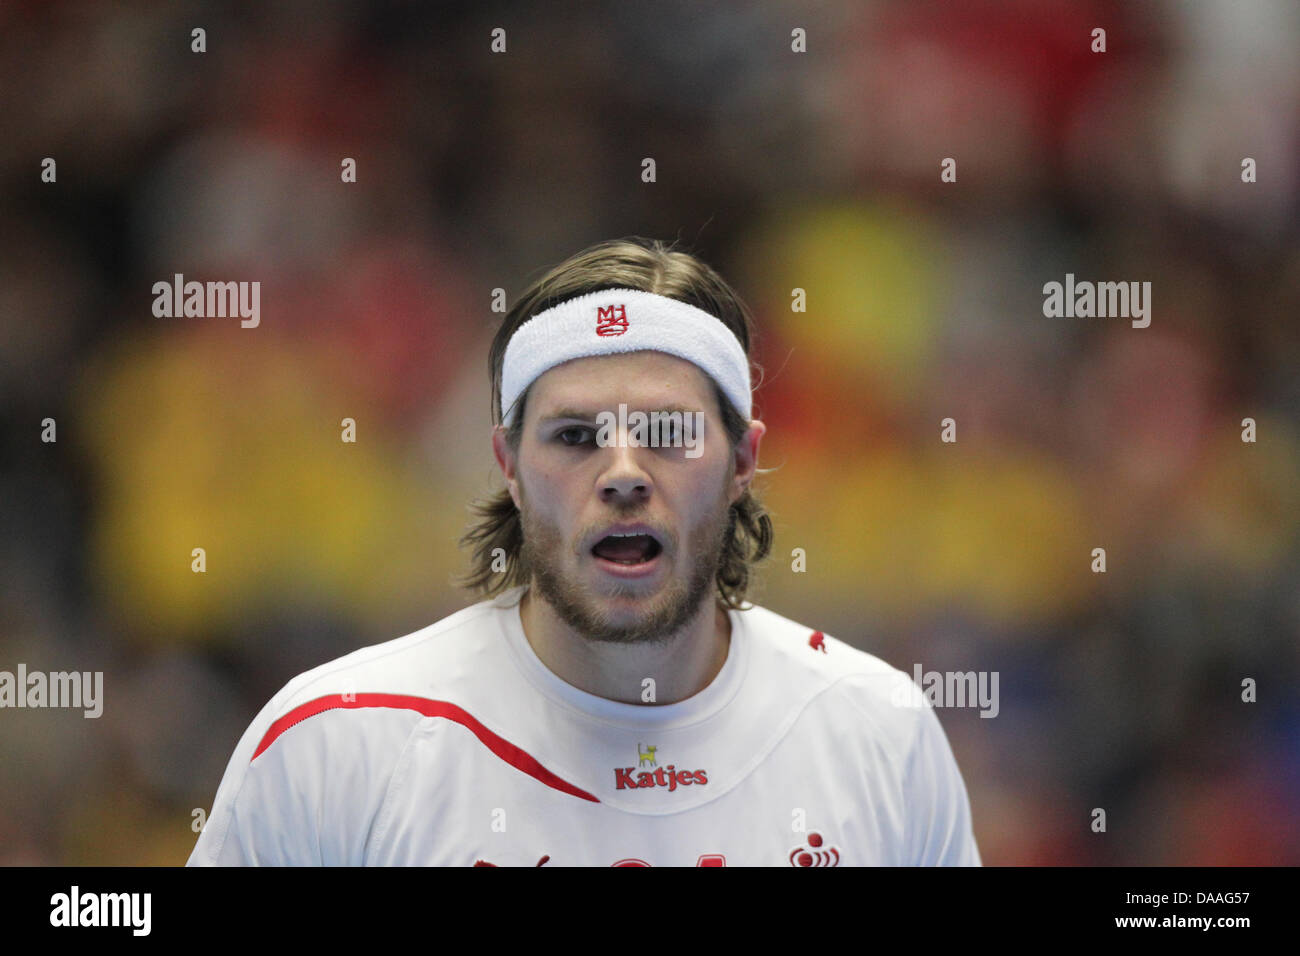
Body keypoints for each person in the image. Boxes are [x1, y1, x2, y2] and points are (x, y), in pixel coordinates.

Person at [187, 237, 981, 866]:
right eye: (575, 437)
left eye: (670, 433)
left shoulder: (879, 733)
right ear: (508, 467)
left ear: (743, 461)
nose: (625, 474)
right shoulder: (335, 745)